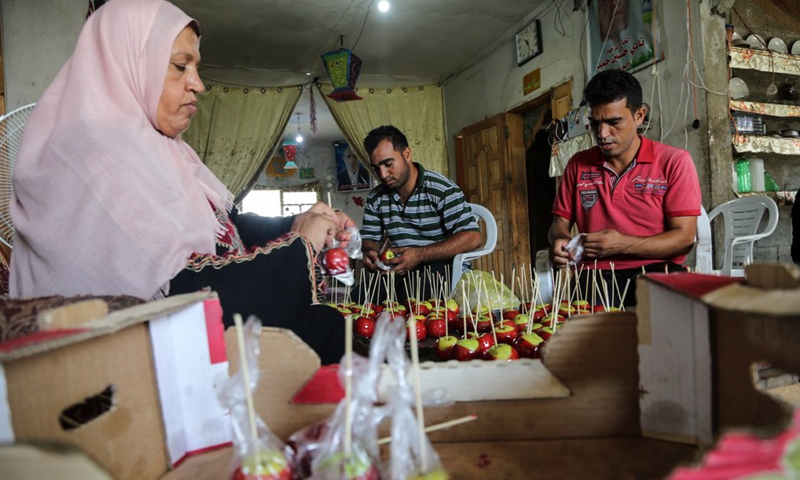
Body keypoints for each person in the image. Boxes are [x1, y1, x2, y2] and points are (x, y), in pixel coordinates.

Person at [9, 0, 352, 364]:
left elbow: (223, 227)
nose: (198, 85)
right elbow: (182, 300)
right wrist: (301, 246)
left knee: (325, 327)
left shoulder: (162, 152)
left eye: (196, 67)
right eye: (179, 66)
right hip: (135, 375)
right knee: (324, 332)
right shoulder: (92, 161)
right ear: (128, 64)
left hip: (193, 336)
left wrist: (296, 223)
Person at [548, 69, 701, 307]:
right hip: (594, 276)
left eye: (614, 122)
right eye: (595, 123)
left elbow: (684, 239)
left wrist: (622, 244)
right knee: (588, 337)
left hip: (658, 270)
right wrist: (559, 240)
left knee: (663, 337)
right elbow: (559, 223)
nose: (602, 134)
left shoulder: (674, 161)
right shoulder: (578, 164)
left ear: (639, 115)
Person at [359, 125, 482, 303]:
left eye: (388, 164)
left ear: (407, 154)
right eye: (376, 168)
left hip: (444, 268)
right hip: (401, 269)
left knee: (407, 303)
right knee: (357, 303)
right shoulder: (376, 198)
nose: (383, 174)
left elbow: (473, 237)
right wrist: (370, 252)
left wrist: (420, 255)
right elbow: (369, 238)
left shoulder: (441, 189)